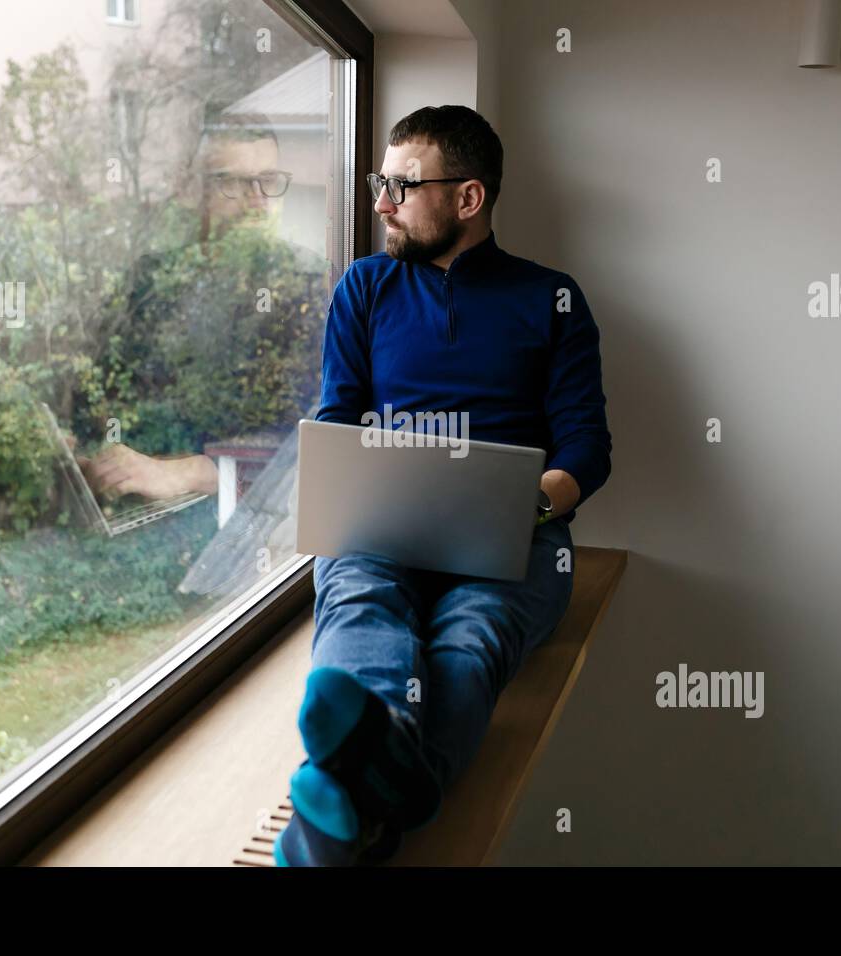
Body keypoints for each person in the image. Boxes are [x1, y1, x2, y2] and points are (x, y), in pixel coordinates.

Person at [273, 105, 613, 866]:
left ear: (469, 198)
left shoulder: (551, 298)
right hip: (381, 527)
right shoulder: (364, 288)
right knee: (361, 601)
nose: (382, 202)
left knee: (470, 637)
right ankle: (388, 788)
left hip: (512, 539)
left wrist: (522, 503)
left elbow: (587, 450)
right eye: (378, 183)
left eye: (401, 184)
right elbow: (340, 423)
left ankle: (346, 806)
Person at [76, 109, 326, 504]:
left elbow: (307, 440)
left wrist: (186, 472)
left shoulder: (308, 288)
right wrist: (79, 447)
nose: (257, 201)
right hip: (133, 498)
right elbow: (94, 392)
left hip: (247, 516)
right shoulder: (151, 280)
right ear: (193, 189)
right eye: (233, 183)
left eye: (268, 180)